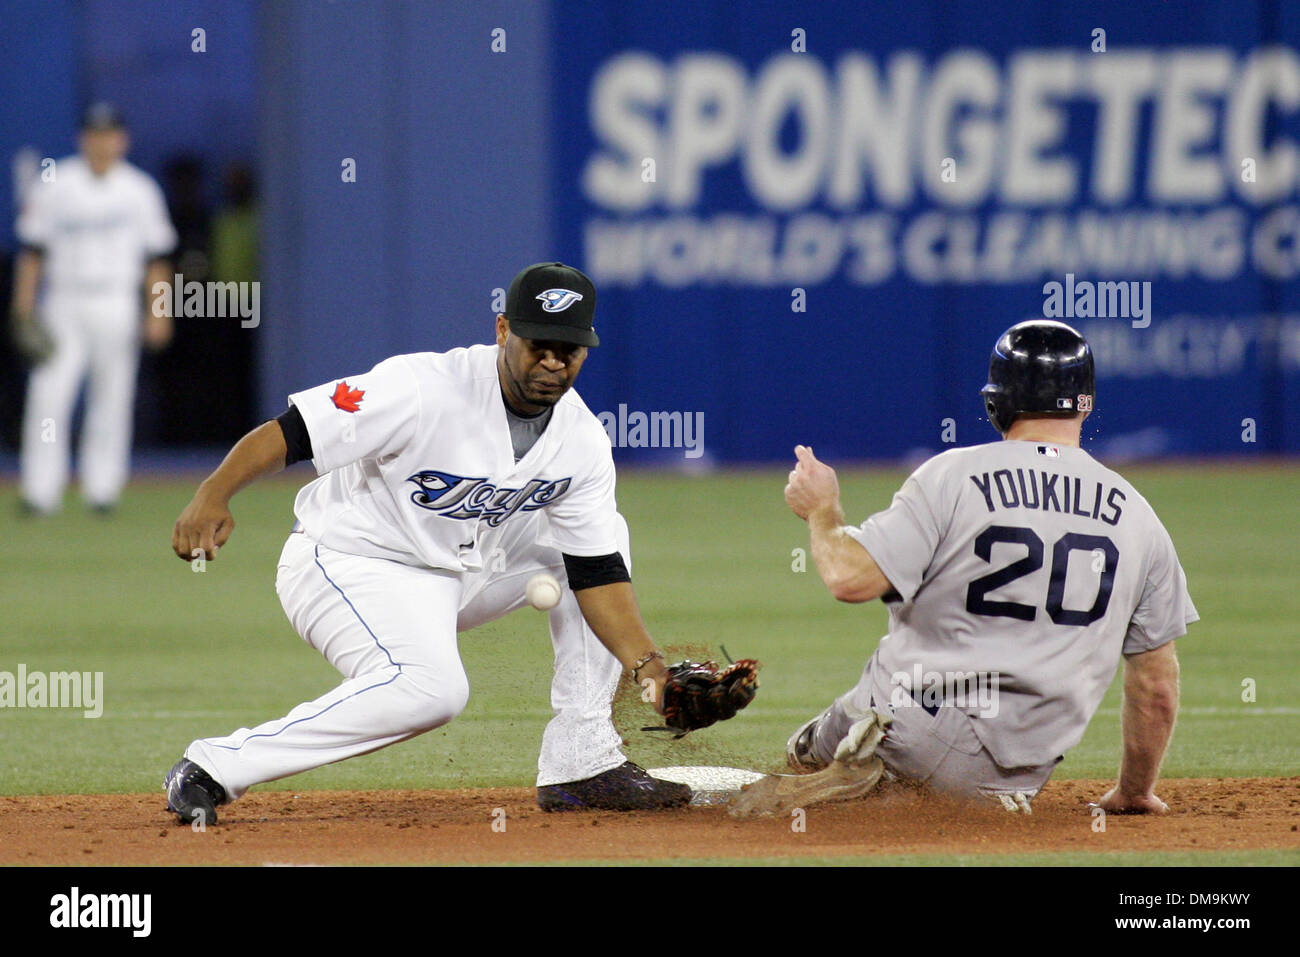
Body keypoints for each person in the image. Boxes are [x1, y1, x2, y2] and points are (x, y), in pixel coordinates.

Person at [164, 262, 694, 824]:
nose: (553, 363)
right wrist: (215, 492)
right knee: (433, 692)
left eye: (570, 350)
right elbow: (297, 430)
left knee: (604, 531)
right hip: (349, 562)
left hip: (462, 569)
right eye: (539, 344)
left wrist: (651, 671)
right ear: (502, 330)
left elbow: (597, 572)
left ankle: (581, 760)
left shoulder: (580, 438)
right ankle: (215, 766)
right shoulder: (423, 387)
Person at [733, 320, 1195, 817]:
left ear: (999, 399)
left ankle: (850, 774)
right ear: (1085, 401)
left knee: (802, 755)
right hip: (1008, 773)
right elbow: (1157, 689)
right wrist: (1133, 792)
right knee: (943, 806)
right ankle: (901, 795)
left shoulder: (955, 475)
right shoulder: (1139, 517)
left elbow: (850, 578)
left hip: (907, 727)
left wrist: (823, 510)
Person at [10, 102, 176, 515]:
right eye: (95, 134)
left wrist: (159, 312)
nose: (103, 142)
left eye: (110, 134)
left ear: (123, 139)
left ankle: (102, 490)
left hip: (116, 299)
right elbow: (33, 251)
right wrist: (23, 306)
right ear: (82, 138)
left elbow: (157, 258)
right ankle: (40, 490)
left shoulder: (140, 189)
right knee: (49, 396)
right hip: (64, 300)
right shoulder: (55, 183)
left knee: (112, 397)